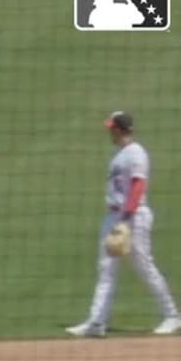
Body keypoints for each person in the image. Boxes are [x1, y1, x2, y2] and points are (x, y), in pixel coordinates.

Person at [68, 112, 181, 337]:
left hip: (133, 215)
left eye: (112, 127)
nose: (109, 131)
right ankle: (97, 322)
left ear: (120, 129)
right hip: (114, 215)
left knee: (144, 266)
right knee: (106, 268)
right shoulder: (120, 154)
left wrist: (127, 218)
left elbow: (138, 185)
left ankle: (172, 315)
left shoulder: (136, 153)